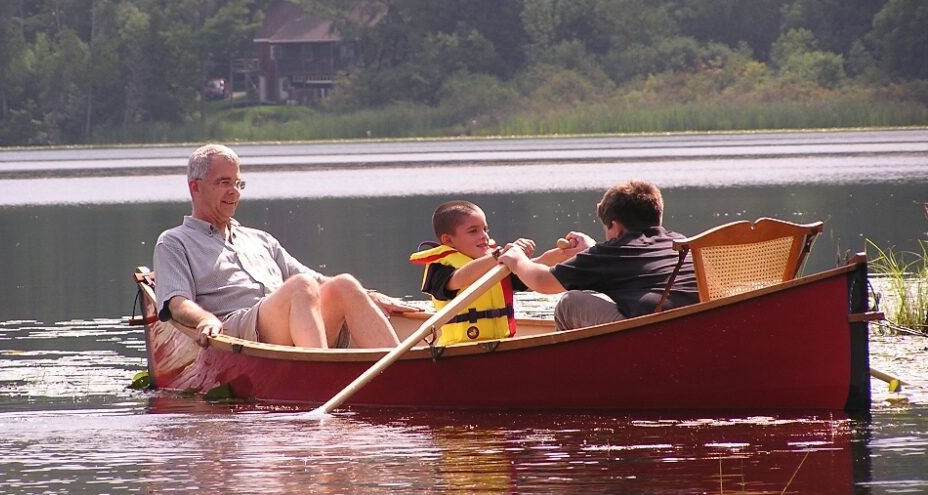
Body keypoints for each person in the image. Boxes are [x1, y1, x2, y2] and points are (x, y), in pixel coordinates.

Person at [153, 143, 411, 349]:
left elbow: (317, 280)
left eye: (237, 183)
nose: (234, 191)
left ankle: (398, 373)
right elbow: (177, 302)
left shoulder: (260, 239)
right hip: (236, 332)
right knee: (300, 286)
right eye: (223, 183)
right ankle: (320, 377)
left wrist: (368, 295)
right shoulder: (175, 242)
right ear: (195, 188)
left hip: (291, 323)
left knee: (343, 283)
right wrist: (205, 320)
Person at [496, 181, 698, 330]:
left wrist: (518, 259)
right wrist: (592, 249)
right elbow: (634, 264)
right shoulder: (682, 243)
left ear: (614, 226)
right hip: (694, 325)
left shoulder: (614, 251)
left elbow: (542, 281)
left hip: (648, 333)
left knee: (570, 304)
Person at [409, 200, 564, 346]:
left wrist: (559, 256)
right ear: (448, 240)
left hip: (502, 344)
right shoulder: (440, 269)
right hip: (460, 350)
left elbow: (528, 271)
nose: (484, 235)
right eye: (473, 231)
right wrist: (499, 255)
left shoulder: (494, 262)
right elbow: (461, 278)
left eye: (485, 229)